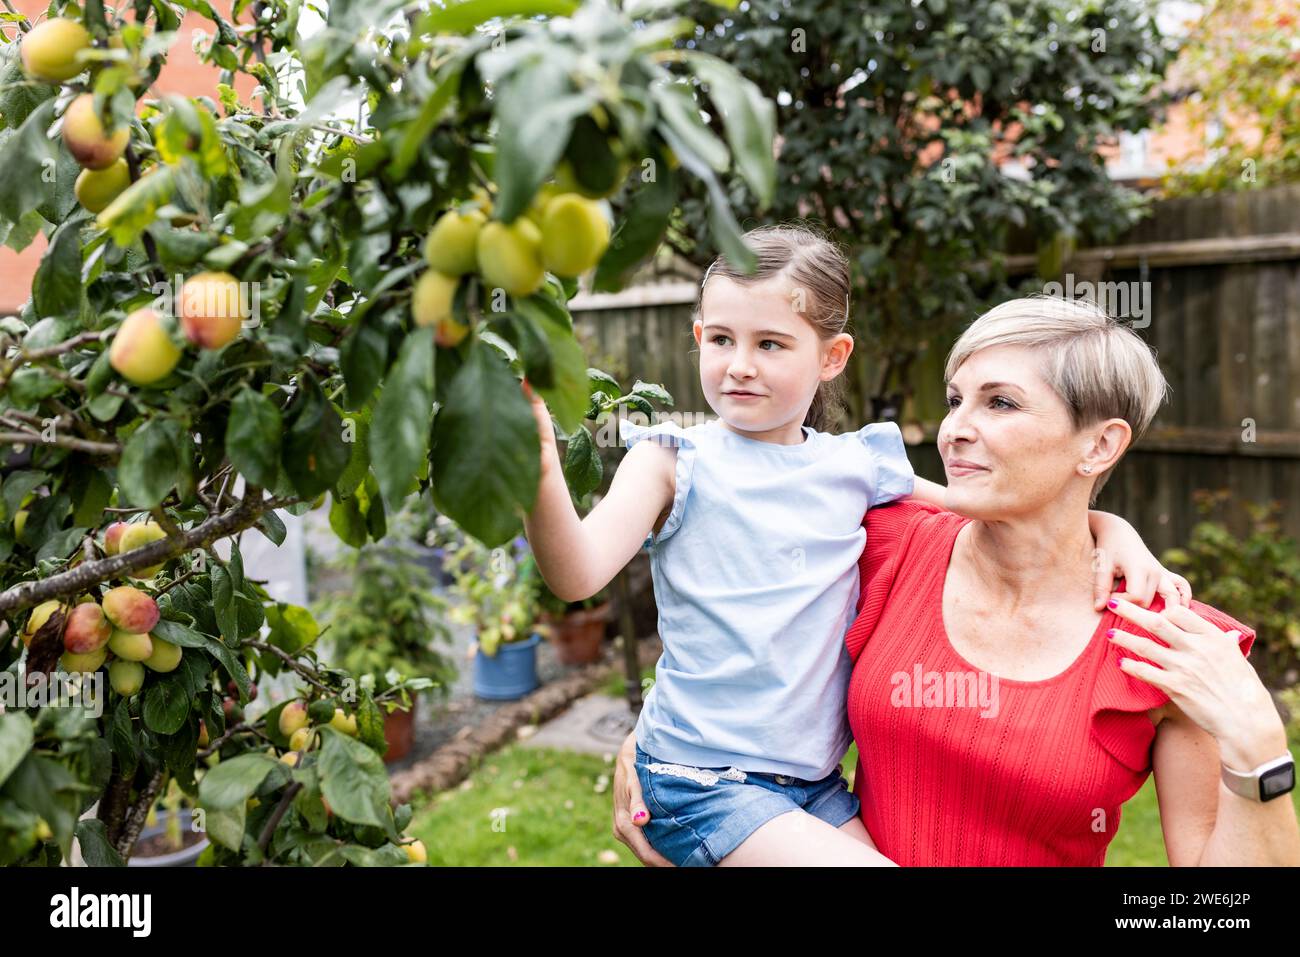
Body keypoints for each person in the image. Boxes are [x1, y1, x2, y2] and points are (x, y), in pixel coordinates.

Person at [526, 225, 1185, 866]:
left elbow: (992, 503)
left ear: (832, 357)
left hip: (813, 786)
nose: (741, 364)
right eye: (722, 338)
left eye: (772, 343)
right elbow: (576, 574)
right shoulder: (670, 461)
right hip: (704, 776)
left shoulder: (856, 467)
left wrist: (1112, 530)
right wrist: (540, 473)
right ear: (698, 337)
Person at [612, 294, 1300, 866]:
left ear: (1099, 444)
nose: (953, 430)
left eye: (999, 403)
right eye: (955, 399)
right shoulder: (884, 541)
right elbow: (724, 602)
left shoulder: (1163, 640)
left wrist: (1261, 755)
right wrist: (662, 750)